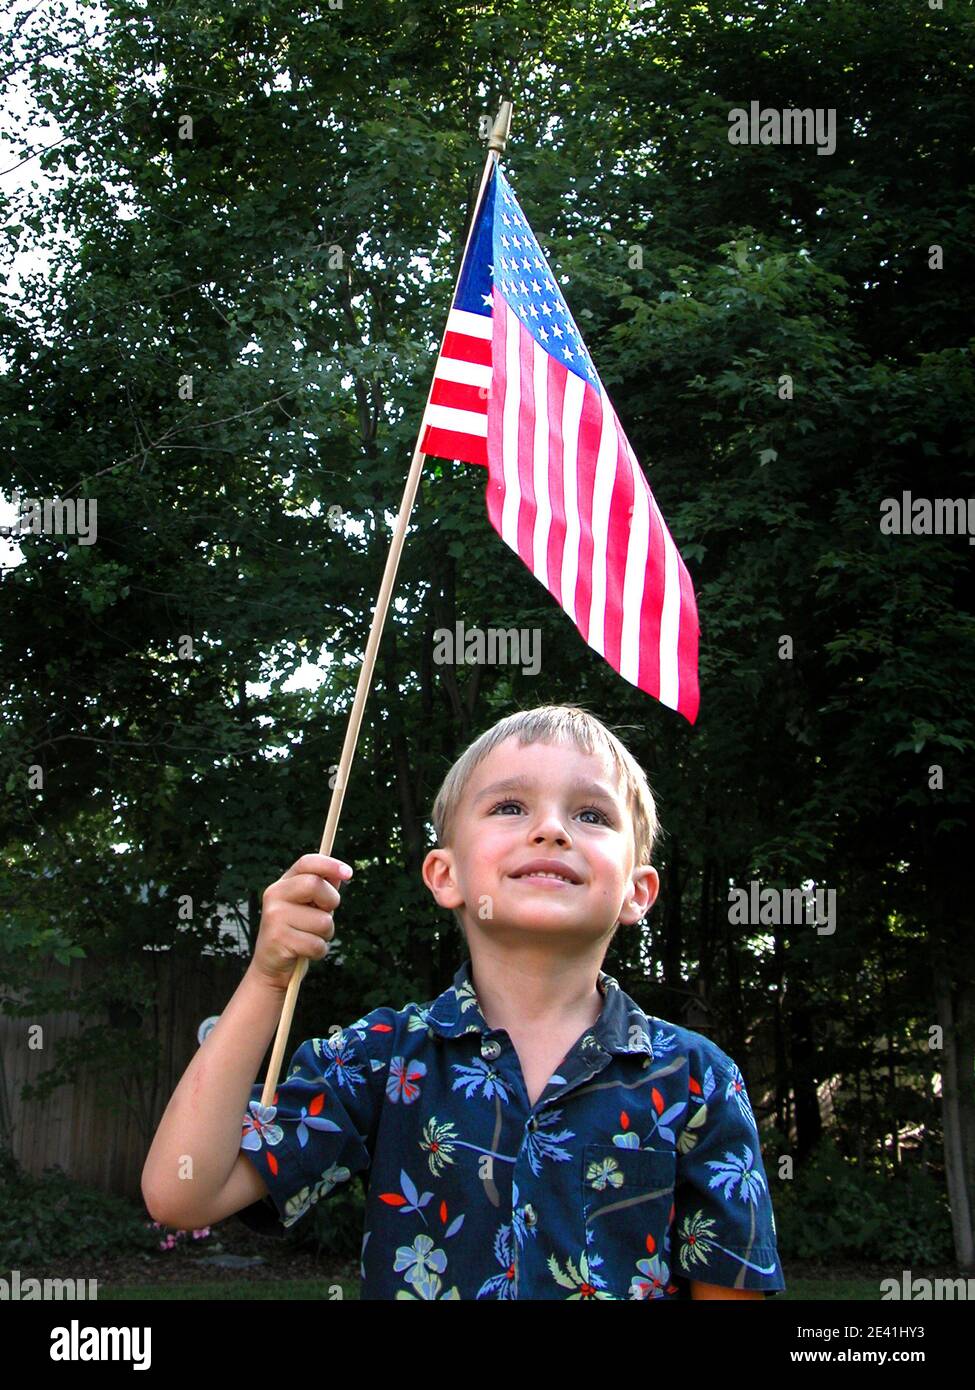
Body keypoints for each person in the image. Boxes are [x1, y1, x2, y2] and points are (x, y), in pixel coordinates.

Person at [142, 704, 785, 1300]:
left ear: (636, 892)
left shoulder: (696, 1078)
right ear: (446, 876)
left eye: (592, 815)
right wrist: (267, 978)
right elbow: (181, 1193)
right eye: (509, 806)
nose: (552, 829)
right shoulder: (386, 1058)